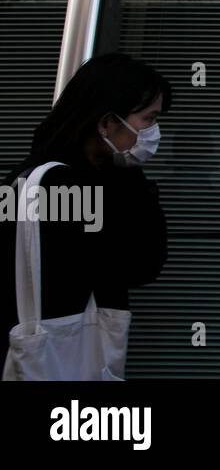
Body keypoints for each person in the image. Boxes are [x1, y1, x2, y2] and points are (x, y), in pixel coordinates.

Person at [1, 53, 170, 377]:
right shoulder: (66, 186)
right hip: (58, 356)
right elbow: (141, 264)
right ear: (106, 123)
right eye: (148, 119)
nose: (153, 131)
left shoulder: (28, 177)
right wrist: (133, 175)